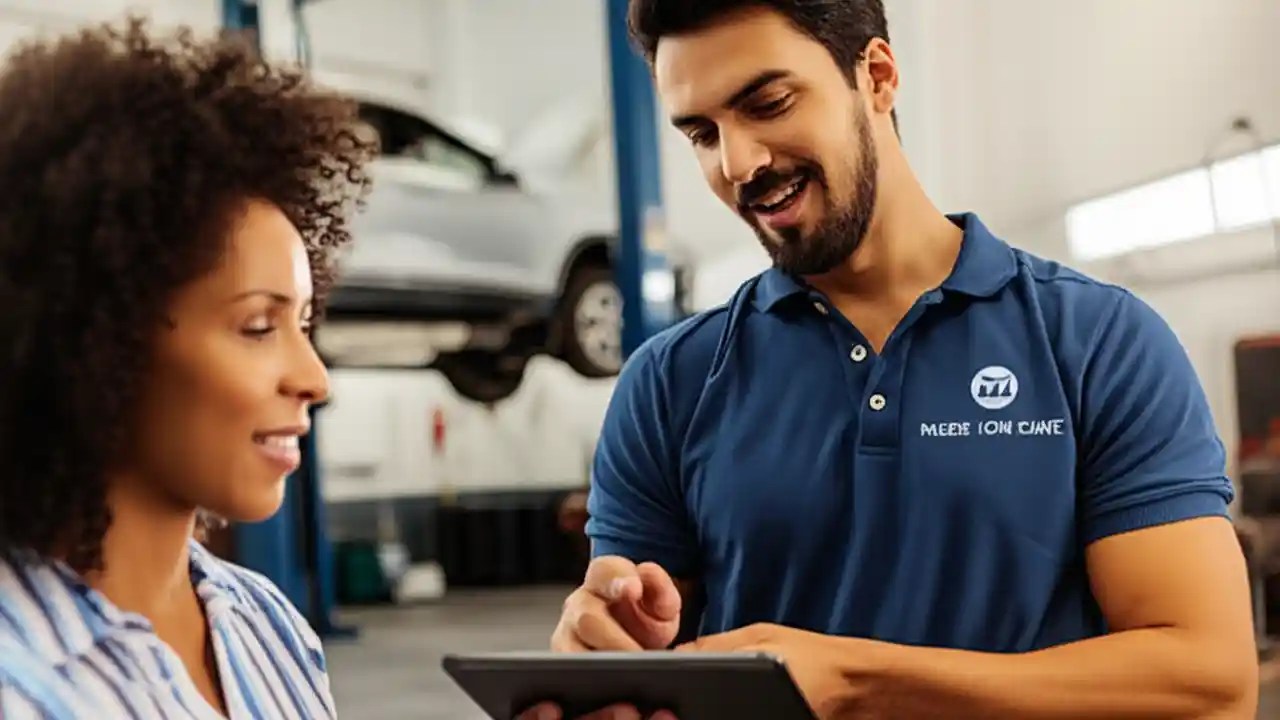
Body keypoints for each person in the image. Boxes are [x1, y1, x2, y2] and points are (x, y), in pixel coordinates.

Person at [528, 1, 1259, 718]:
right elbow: (644, 658)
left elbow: (1208, 680)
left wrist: (856, 681)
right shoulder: (670, 383)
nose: (737, 162)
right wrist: (609, 649)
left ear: (876, 76)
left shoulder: (1097, 343)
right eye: (701, 133)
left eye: (769, 103)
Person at [0, 17, 373, 719]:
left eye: (302, 324)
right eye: (258, 327)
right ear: (100, 337)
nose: (314, 378)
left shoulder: (269, 627)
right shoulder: (20, 685)